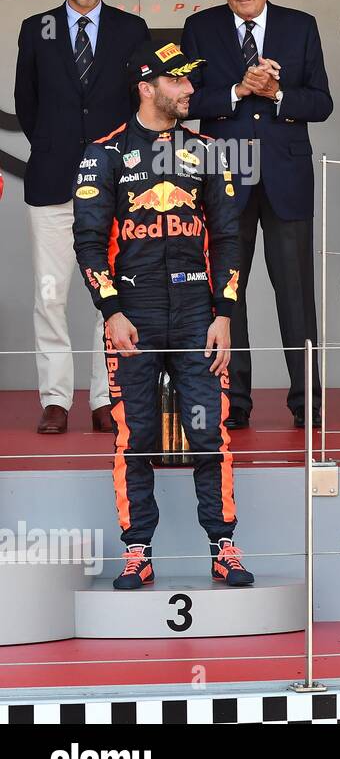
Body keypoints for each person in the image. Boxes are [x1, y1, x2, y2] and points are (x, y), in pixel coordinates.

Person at [72, 40, 254, 590]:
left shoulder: (209, 151)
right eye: (178, 81)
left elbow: (228, 238)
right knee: (137, 437)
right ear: (147, 87)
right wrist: (111, 312)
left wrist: (224, 314)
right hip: (135, 318)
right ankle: (137, 551)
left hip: (199, 315)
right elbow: (87, 242)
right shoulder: (102, 154)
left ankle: (223, 546)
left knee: (209, 434)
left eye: (191, 81)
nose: (190, 90)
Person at [181, 0, 333, 430]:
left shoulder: (300, 25)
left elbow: (322, 103)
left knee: (295, 296)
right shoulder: (200, 28)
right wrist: (238, 91)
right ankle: (234, 402)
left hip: (286, 178)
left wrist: (278, 93)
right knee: (228, 296)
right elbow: (187, 101)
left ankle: (308, 404)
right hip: (225, 178)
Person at [14, 0, 150, 435]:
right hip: (52, 182)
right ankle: (54, 399)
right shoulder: (37, 28)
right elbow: (27, 103)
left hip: (114, 184)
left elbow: (142, 103)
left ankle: (104, 397)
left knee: (109, 296)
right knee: (50, 296)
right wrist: (56, 147)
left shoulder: (131, 29)